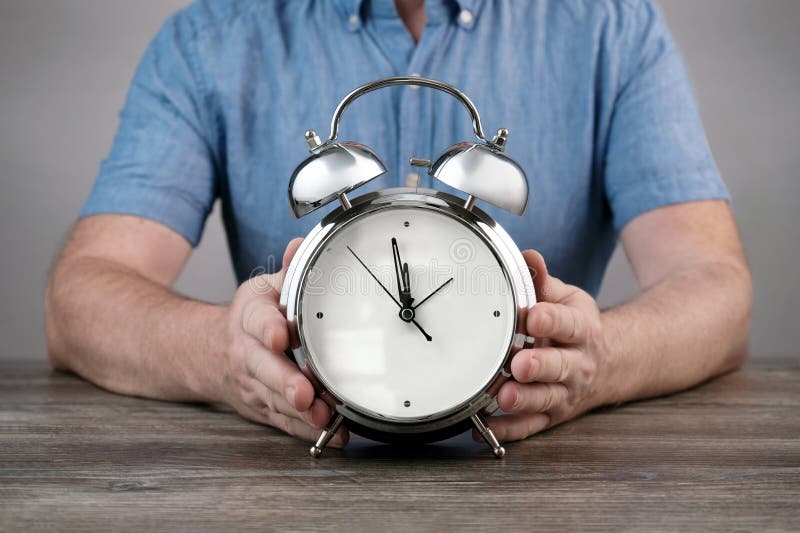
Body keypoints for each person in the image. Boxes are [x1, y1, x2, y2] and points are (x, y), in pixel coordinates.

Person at [45, 0, 752, 449]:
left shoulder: (612, 26)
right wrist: (221, 354)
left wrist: (601, 359)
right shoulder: (209, 38)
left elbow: (715, 287)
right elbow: (79, 302)